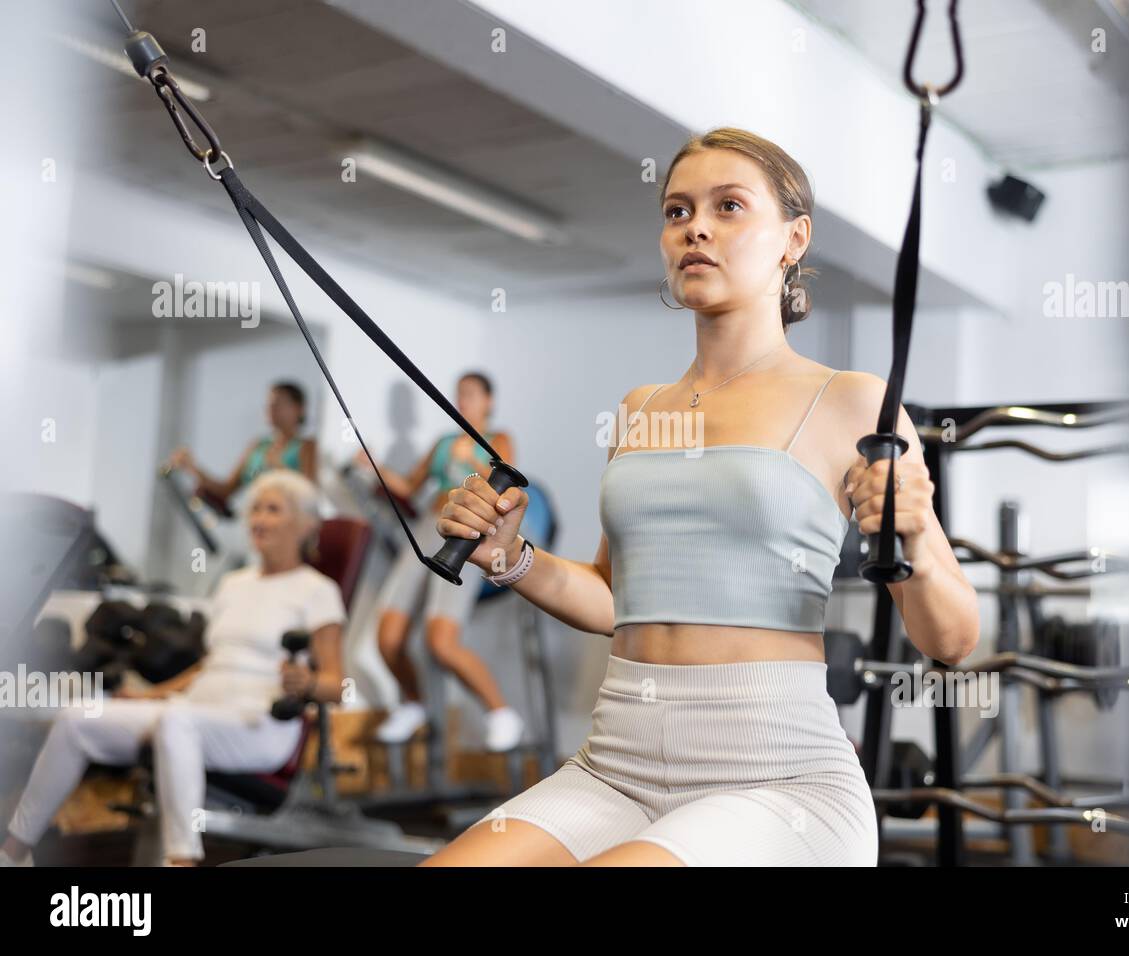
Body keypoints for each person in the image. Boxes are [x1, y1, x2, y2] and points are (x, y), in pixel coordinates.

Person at [421, 128, 980, 867]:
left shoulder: (853, 403)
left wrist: (916, 543)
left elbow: (953, 640)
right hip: (615, 768)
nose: (697, 227)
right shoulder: (638, 408)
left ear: (793, 238)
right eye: (678, 210)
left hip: (778, 780)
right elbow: (614, 599)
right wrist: (512, 557)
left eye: (728, 206)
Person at [0, 470, 346, 867]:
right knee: (79, 717)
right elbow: (208, 666)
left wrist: (307, 682)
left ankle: (182, 860)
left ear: (305, 525)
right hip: (197, 711)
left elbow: (338, 685)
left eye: (273, 509)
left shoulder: (318, 590)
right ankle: (15, 852)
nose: (258, 519)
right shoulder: (234, 583)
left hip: (260, 727)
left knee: (177, 721)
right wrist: (150, 696)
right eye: (254, 509)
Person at [357, 371, 525, 750]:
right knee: (387, 637)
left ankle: (501, 713)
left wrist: (476, 463)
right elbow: (410, 487)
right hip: (425, 526)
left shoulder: (498, 441)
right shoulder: (444, 443)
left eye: (471, 394)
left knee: (440, 643)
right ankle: (413, 705)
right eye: (459, 394)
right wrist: (374, 466)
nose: (462, 400)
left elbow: (508, 489)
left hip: (467, 536)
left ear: (489, 401)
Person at [167, 381, 319, 505]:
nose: (270, 408)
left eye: (278, 403)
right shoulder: (258, 446)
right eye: (269, 404)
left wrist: (278, 468)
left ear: (299, 409)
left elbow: (308, 495)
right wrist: (192, 468)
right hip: (258, 523)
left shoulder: (307, 447)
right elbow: (226, 490)